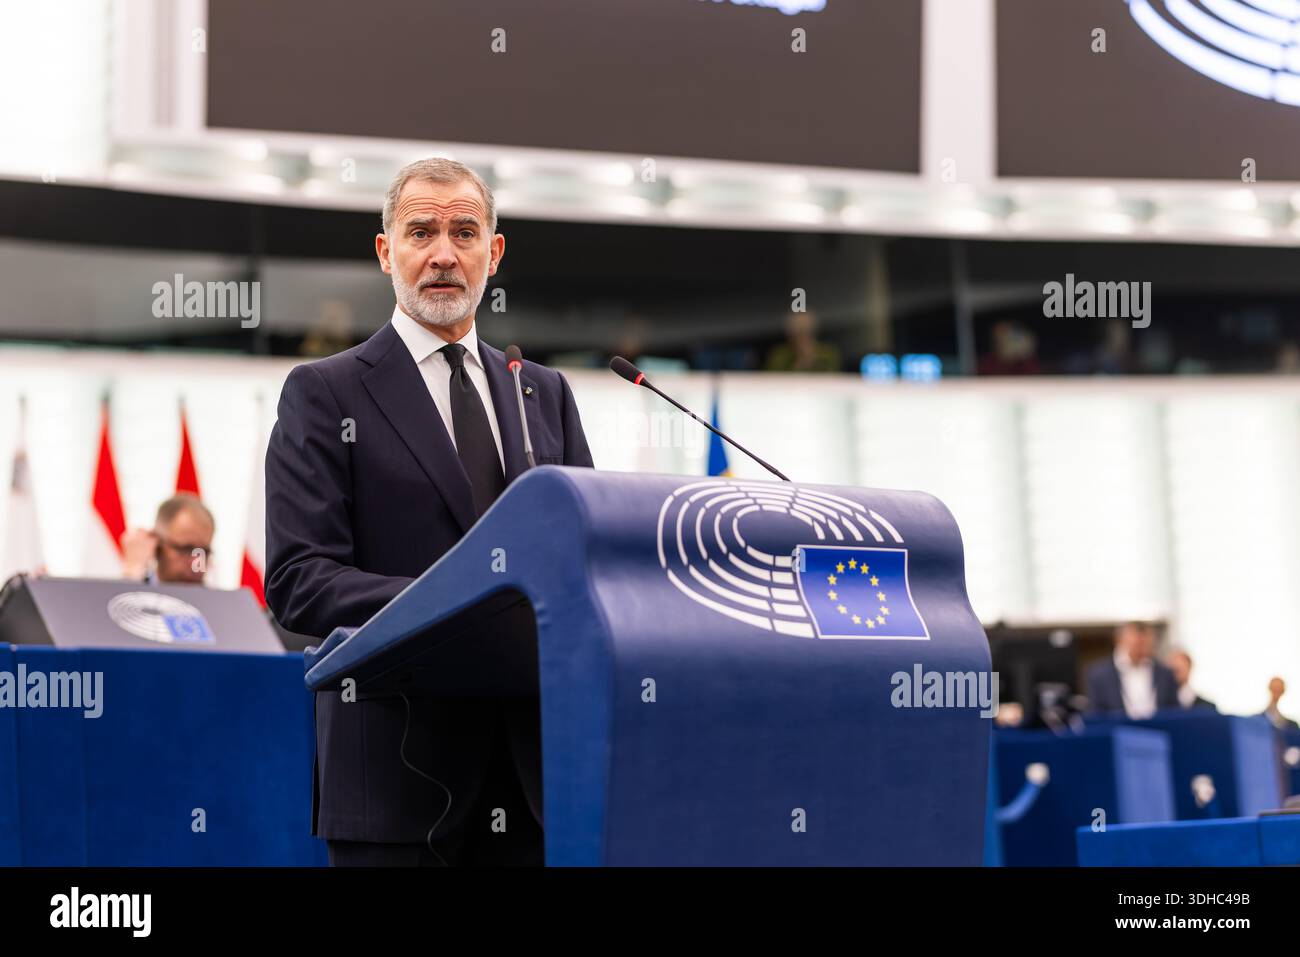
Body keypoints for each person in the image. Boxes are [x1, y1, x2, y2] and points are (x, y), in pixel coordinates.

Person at [264, 158, 593, 867]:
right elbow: (300, 579)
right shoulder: (325, 393)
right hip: (395, 780)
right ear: (387, 252)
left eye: (464, 232)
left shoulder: (543, 393)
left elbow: (583, 565)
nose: (444, 253)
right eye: (421, 232)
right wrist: (461, 604)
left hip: (535, 785)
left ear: (493, 254)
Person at [1084, 621, 1178, 718]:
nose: (1143, 646)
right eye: (1138, 643)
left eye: (1146, 643)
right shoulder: (1099, 675)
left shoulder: (1165, 673)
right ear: (1120, 640)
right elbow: (1096, 713)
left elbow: (1174, 710)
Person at [119, 493, 214, 584]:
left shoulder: (216, 599)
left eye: (204, 552)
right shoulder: (138, 592)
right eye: (185, 550)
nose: (197, 565)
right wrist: (133, 572)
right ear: (157, 547)